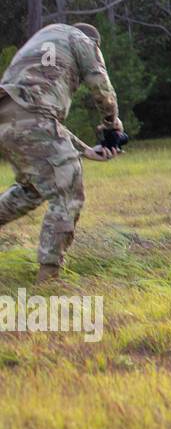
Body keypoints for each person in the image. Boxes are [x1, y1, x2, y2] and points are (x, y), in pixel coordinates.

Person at [0, 22, 123, 282]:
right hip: (33, 118)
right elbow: (102, 88)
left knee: (32, 190)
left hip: (8, 119)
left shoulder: (45, 37)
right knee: (68, 190)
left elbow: (42, 120)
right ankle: (49, 277)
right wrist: (112, 123)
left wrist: (86, 150)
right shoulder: (83, 40)